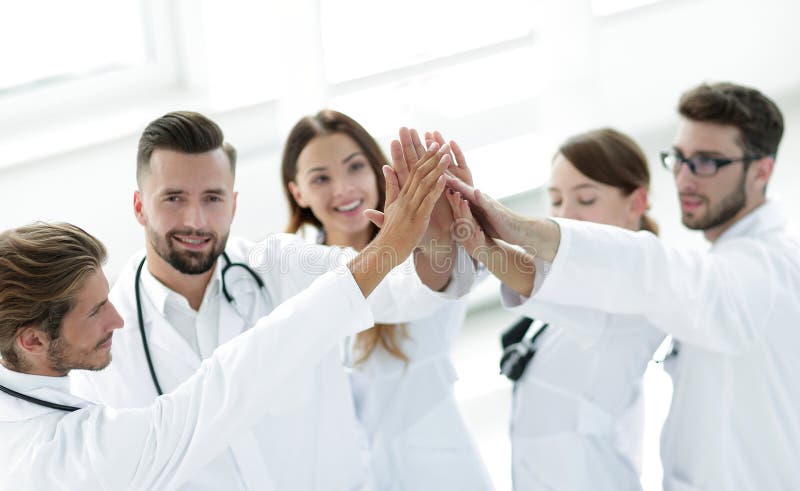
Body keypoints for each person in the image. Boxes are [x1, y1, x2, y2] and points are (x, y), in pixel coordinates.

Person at [0, 144, 451, 489]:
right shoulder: (70, 455)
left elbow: (408, 292)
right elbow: (231, 385)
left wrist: (434, 243)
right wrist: (387, 246)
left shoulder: (274, 260)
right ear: (32, 341)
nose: (117, 319)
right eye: (96, 311)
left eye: (213, 197)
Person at [448, 82, 800, 490]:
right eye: (679, 159)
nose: (684, 178)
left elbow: (655, 272)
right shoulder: (730, 260)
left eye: (706, 162)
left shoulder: (766, 267)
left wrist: (517, 230)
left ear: (761, 170)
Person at [281, 110, 492, 490]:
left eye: (354, 167)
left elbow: (428, 284)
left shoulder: (422, 252)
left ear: (379, 171)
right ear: (298, 192)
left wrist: (438, 237)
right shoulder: (294, 276)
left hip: (441, 473)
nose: (343, 188)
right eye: (321, 178)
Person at [472, 128, 664, 490]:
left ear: (636, 203)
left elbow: (531, 275)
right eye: (556, 200)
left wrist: (479, 240)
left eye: (586, 199)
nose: (565, 214)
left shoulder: (642, 290)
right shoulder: (568, 292)